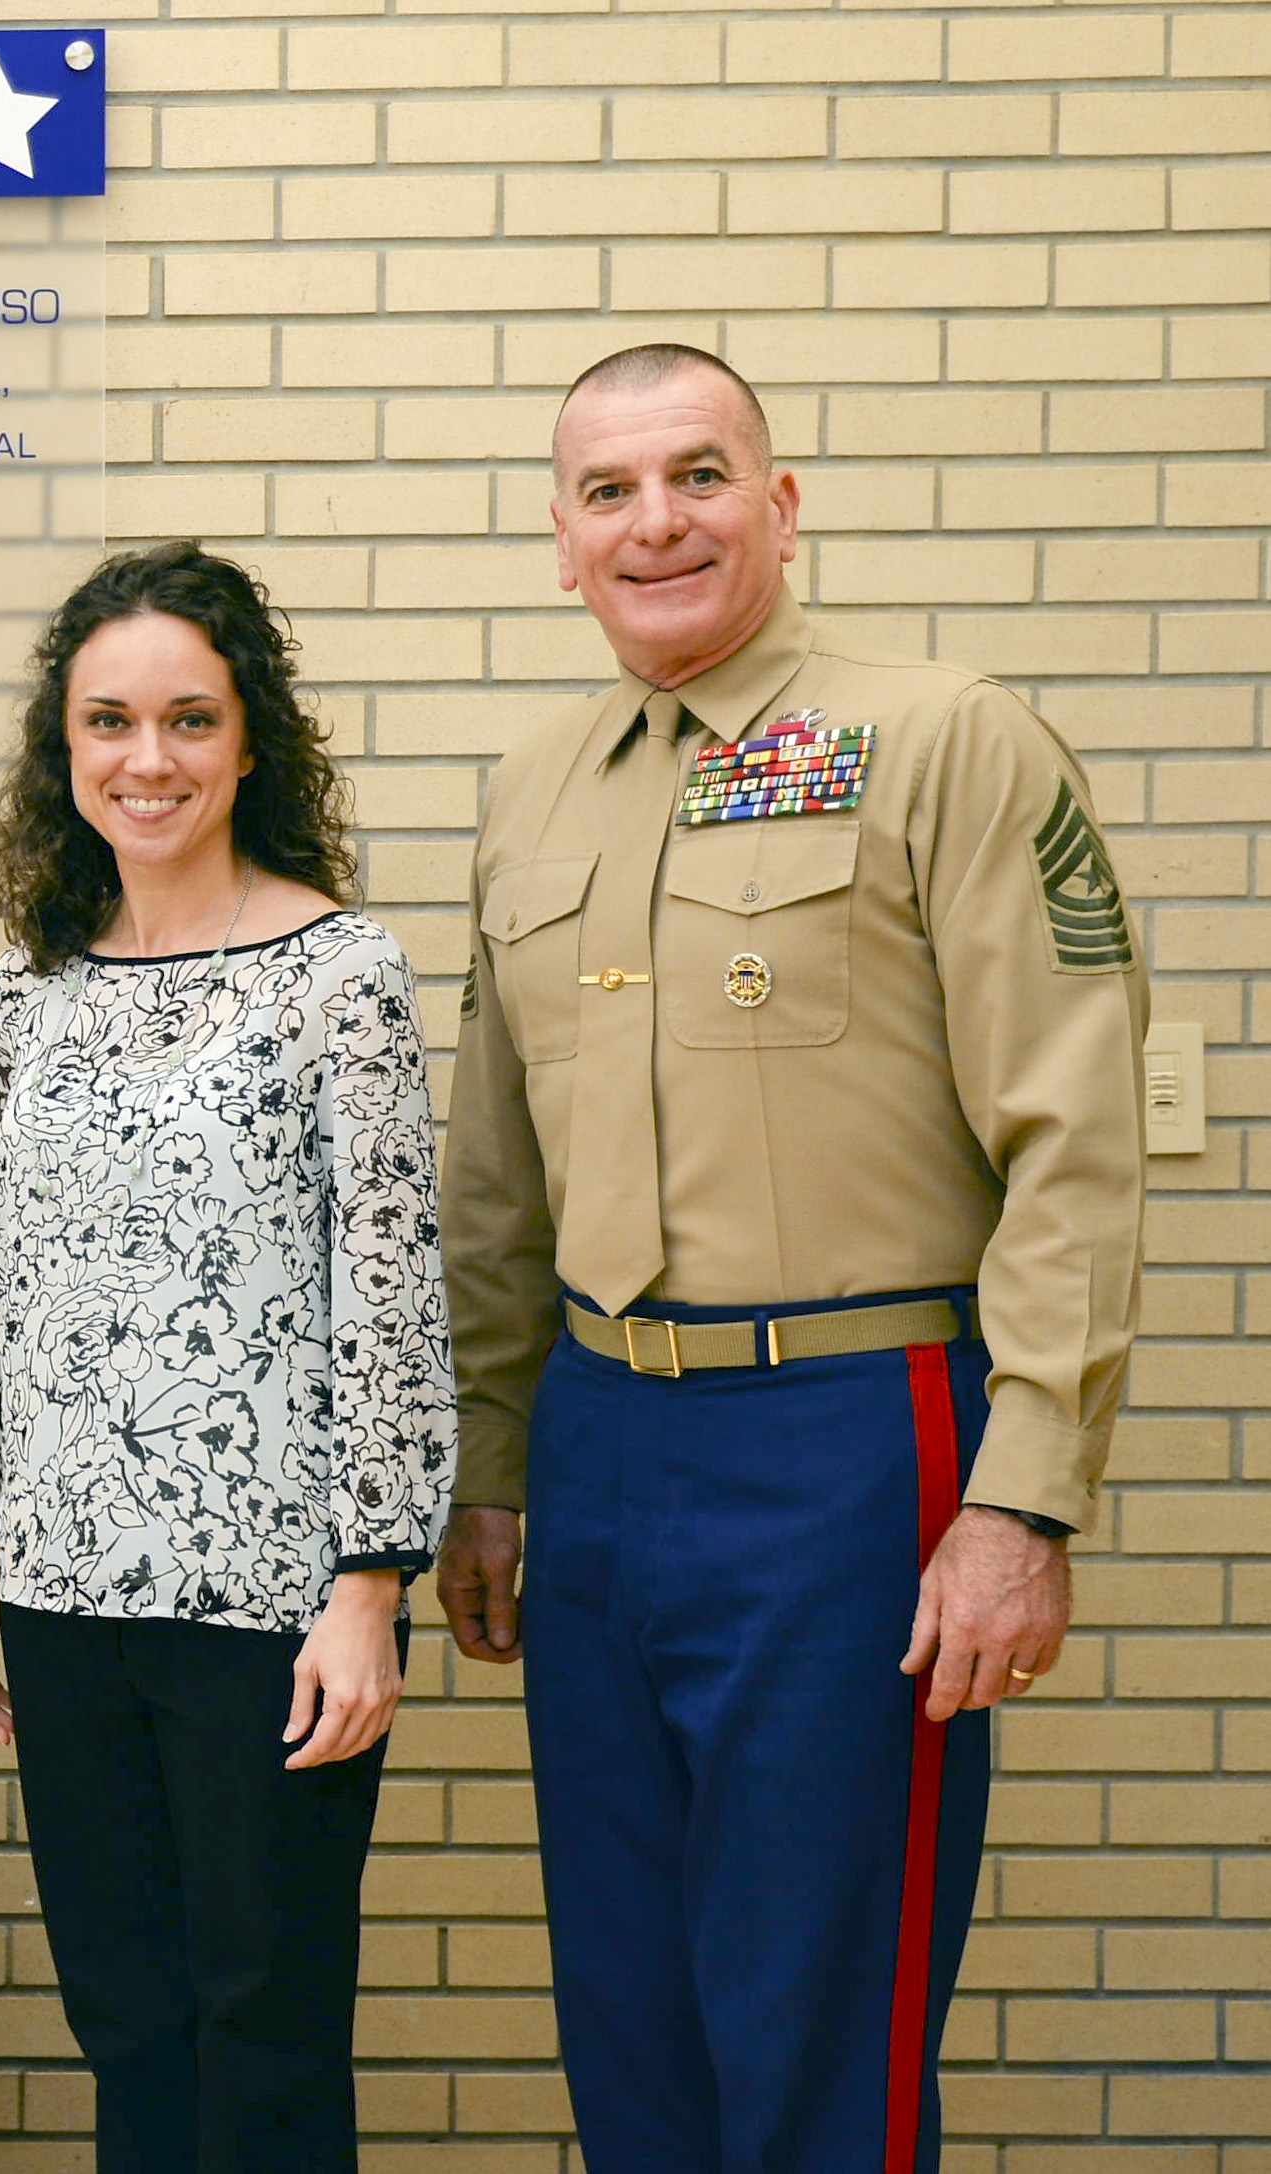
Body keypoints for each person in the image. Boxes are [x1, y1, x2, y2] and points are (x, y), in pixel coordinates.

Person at [436, 344, 1147, 2173]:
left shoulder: (941, 735)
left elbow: (1070, 1137)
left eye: (694, 474)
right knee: (629, 2001)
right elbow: (495, 1179)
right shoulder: (533, 787)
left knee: (816, 2008)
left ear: (778, 500)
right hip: (597, 1448)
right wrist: (495, 1469)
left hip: (853, 1447)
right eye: (606, 492)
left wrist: (1025, 1495)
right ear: (558, 540)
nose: (652, 521)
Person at [0, 541, 457, 2168]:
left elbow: (390, 1290)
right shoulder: (35, 983)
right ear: (63, 749)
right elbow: (1, 1275)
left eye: (184, 720)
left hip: (269, 1610)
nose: (143, 761)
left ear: (247, 742)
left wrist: (368, 1587)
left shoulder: (338, 974)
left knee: (266, 2021)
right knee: (128, 2021)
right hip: (64, 1593)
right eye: (107, 723)